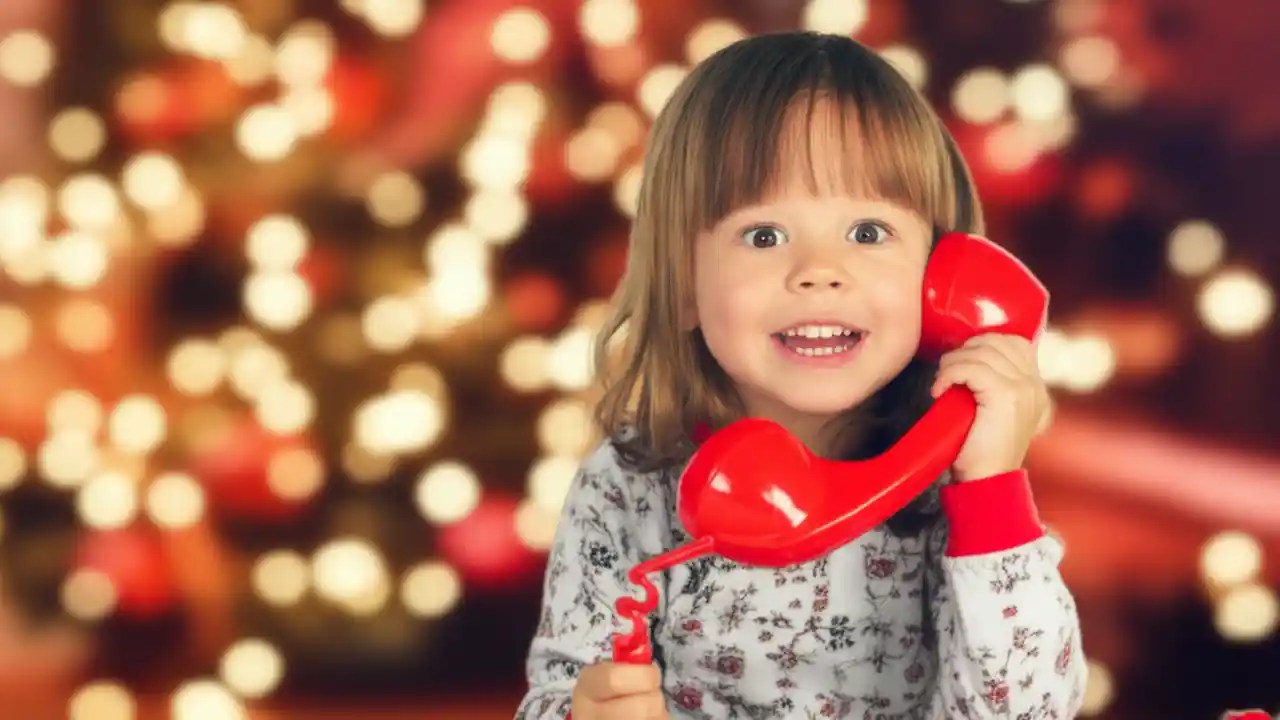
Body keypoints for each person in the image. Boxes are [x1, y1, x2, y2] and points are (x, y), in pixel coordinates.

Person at [515, 31, 1086, 719]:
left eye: (868, 233)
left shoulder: (960, 487)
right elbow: (555, 690)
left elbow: (1030, 712)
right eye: (763, 235)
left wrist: (991, 495)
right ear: (685, 285)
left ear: (943, 279)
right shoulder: (628, 483)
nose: (819, 270)